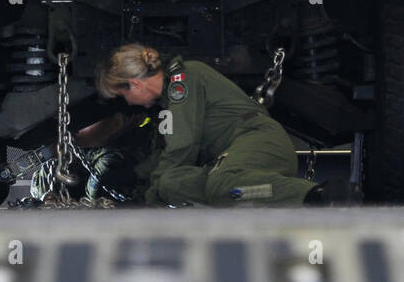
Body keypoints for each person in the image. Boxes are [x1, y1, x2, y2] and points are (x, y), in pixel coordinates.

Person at [96, 44, 358, 206]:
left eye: (123, 95)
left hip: (258, 141)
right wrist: (139, 177)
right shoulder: (169, 99)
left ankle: (317, 195)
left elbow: (182, 146)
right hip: (234, 158)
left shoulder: (183, 80)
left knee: (223, 186)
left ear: (136, 84)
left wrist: (148, 198)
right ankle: (241, 193)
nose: (127, 103)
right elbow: (167, 157)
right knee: (170, 183)